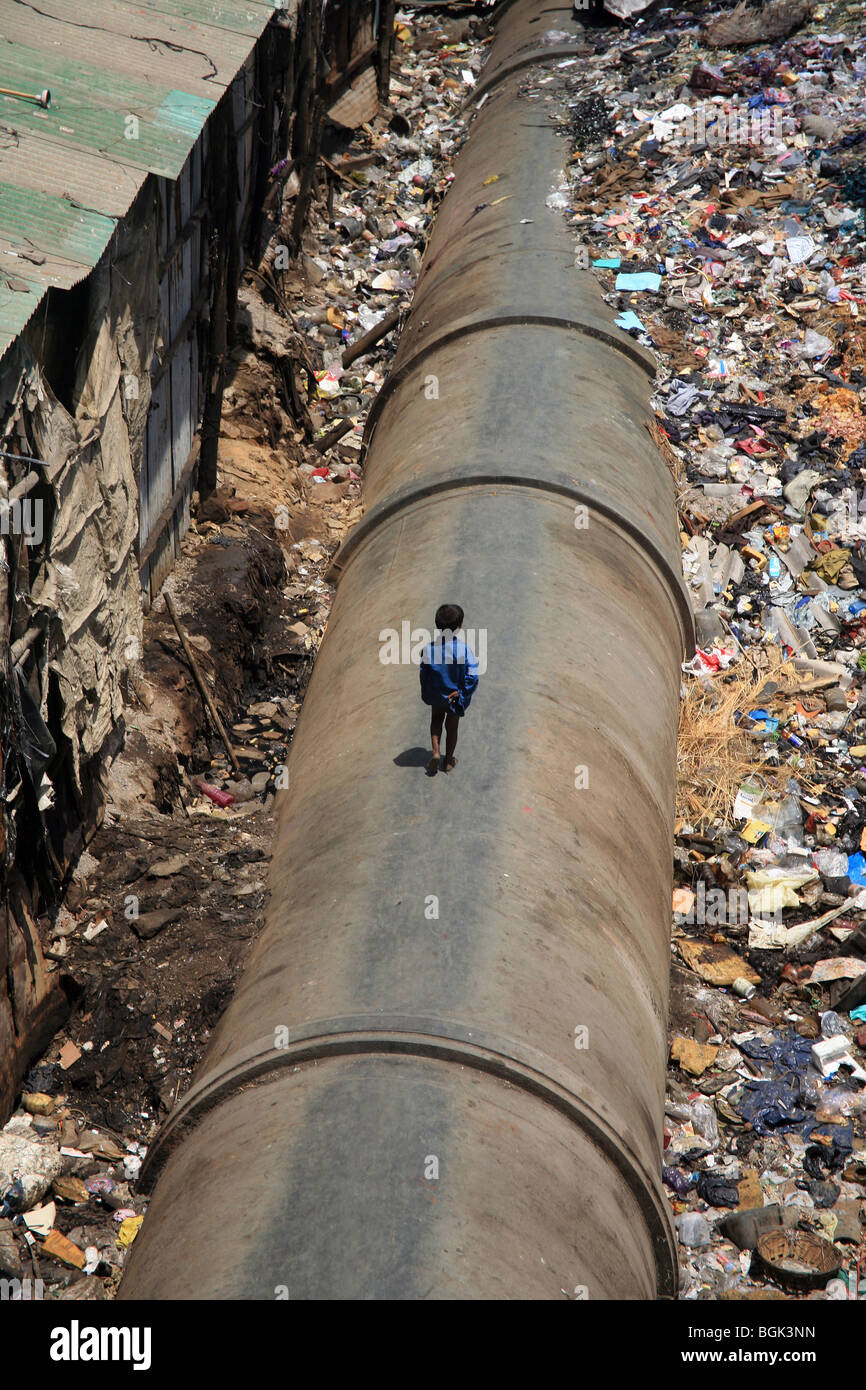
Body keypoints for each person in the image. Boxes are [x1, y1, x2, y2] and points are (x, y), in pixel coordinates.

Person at [419, 604, 479, 774]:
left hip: (437, 695)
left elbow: (424, 673)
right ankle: (448, 761)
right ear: (458, 627)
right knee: (452, 727)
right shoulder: (463, 650)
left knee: (436, 720)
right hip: (455, 698)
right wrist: (462, 692)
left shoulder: (428, 650)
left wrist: (427, 692)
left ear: (437, 625)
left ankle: (436, 752)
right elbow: (473, 676)